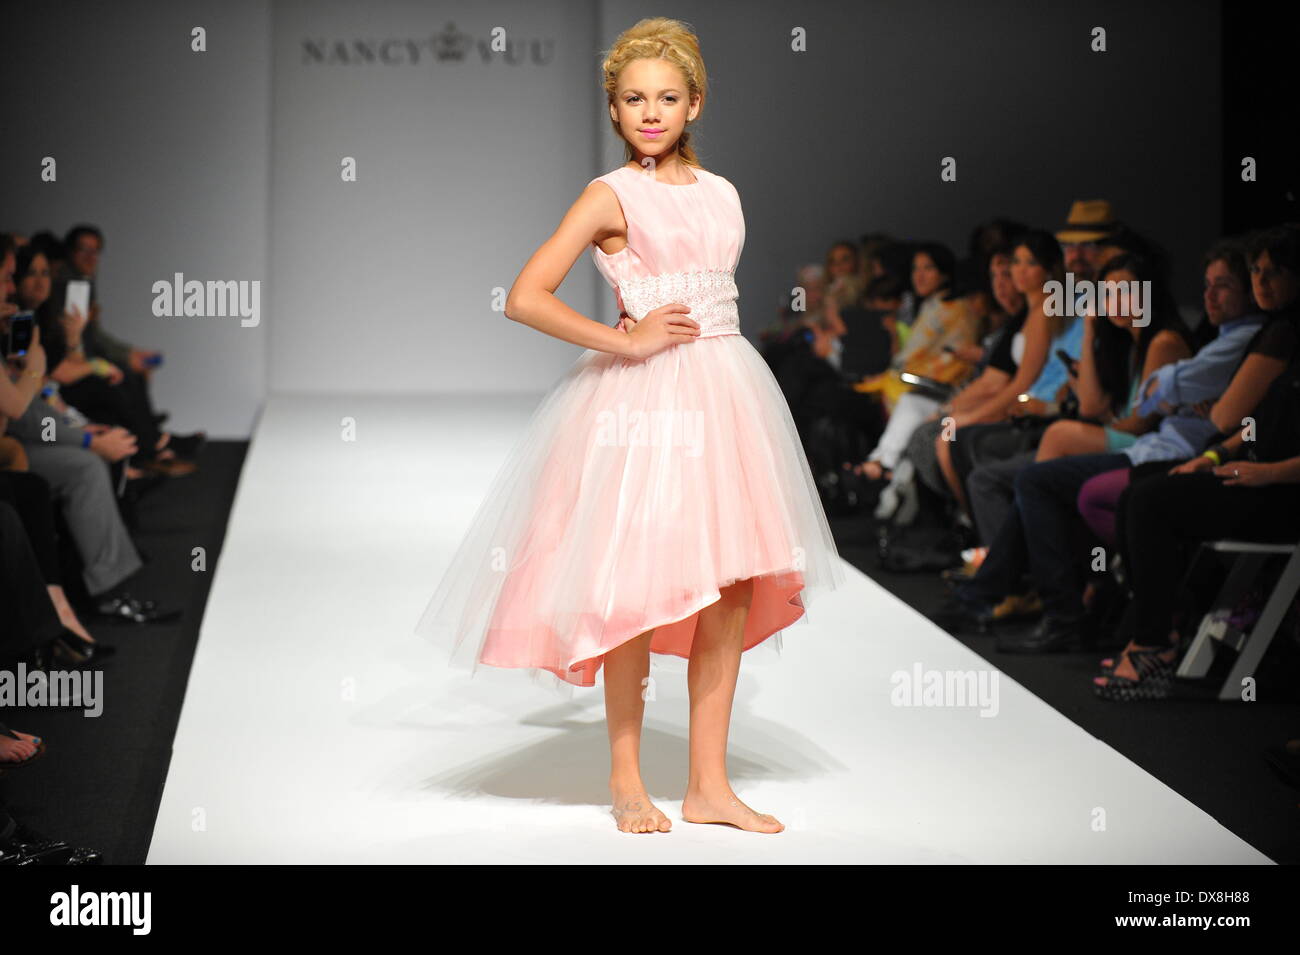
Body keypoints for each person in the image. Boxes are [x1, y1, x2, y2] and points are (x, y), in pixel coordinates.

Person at [413, 17, 845, 835]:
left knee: (730, 583)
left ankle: (708, 786)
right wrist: (624, 337)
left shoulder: (723, 194)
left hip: (726, 392)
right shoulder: (610, 194)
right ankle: (625, 780)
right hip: (642, 402)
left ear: (695, 103)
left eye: (668, 97)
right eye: (635, 99)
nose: (652, 112)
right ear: (613, 109)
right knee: (635, 589)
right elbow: (525, 293)